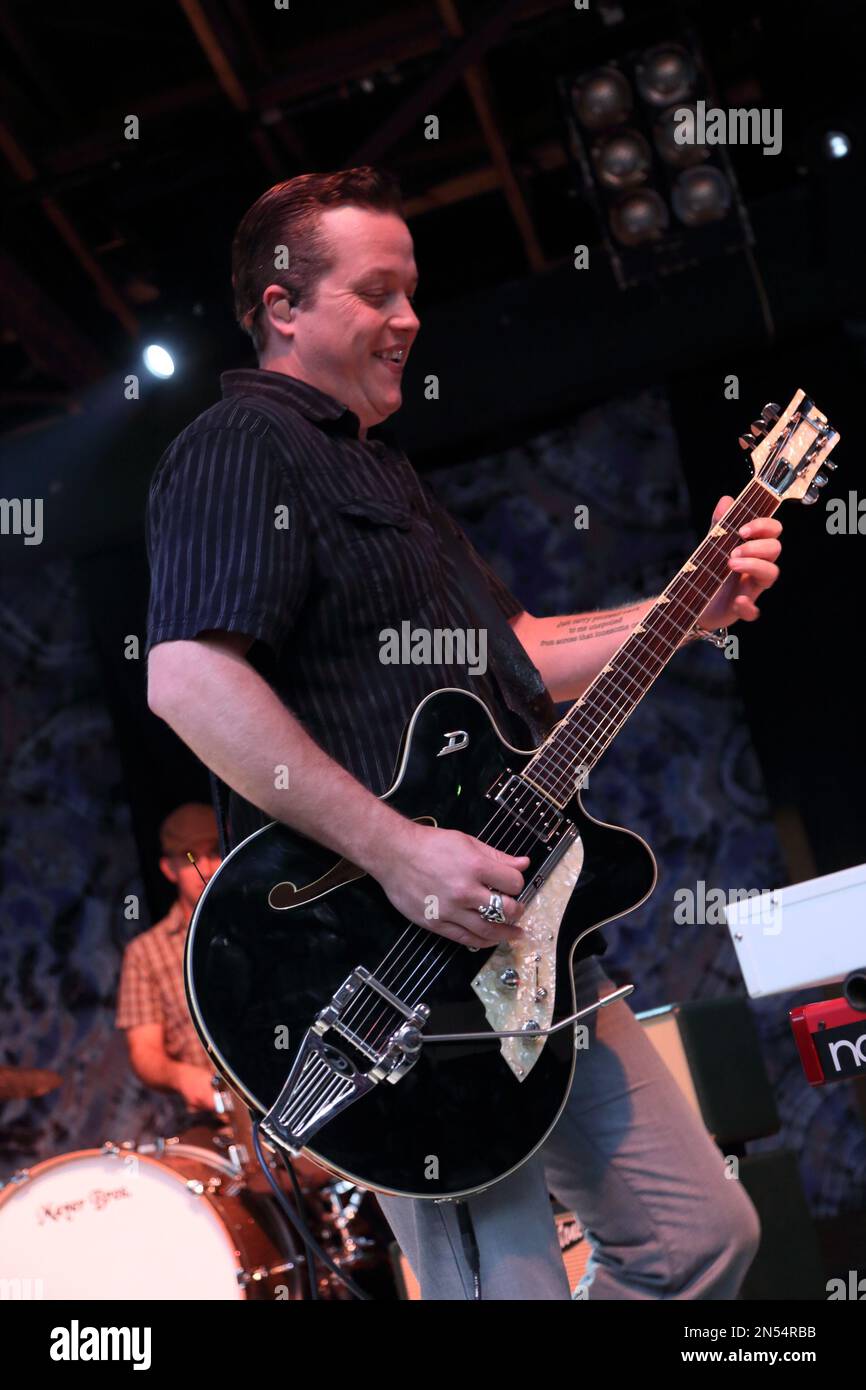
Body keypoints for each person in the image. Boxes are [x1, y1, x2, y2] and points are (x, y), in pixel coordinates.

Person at [145, 166, 782, 1299]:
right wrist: (397, 850)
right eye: (377, 292)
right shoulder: (241, 444)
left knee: (698, 1238)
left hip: (526, 940)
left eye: (414, 292)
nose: (408, 319)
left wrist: (685, 606)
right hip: (385, 966)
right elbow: (188, 677)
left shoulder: (382, 469)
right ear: (283, 305)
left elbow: (519, 652)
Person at [116, 802, 223, 1122]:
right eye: (191, 857)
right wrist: (181, 1076)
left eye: (215, 851)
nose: (207, 867)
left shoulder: (266, 922)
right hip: (216, 1119)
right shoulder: (145, 953)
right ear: (168, 868)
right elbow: (145, 1052)